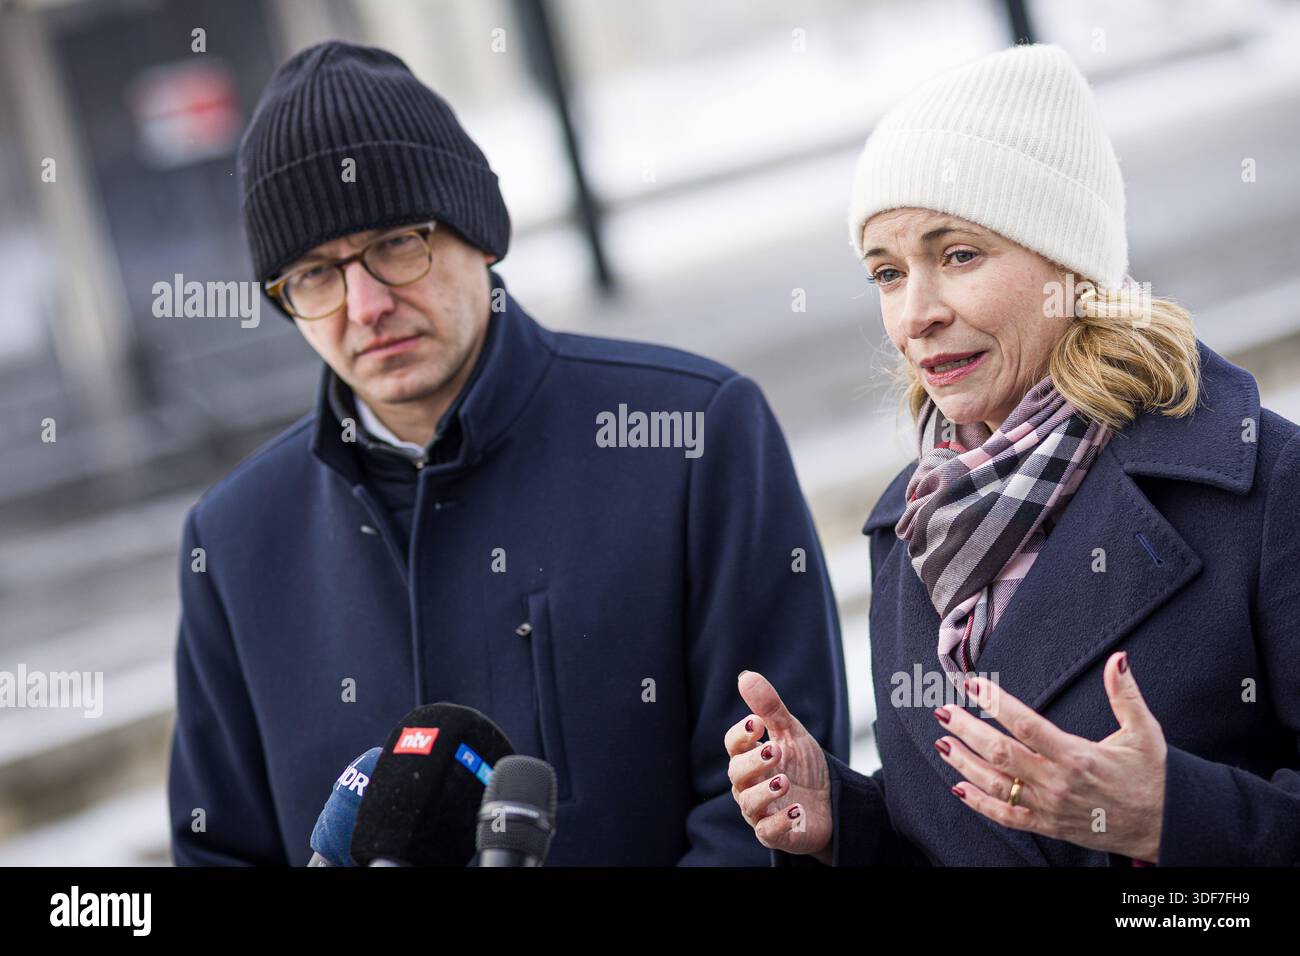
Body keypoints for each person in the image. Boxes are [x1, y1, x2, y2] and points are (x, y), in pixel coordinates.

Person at [168, 40, 849, 866]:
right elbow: (218, 852)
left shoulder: (694, 436)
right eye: (314, 273)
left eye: (395, 244)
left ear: (480, 232)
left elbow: (774, 814)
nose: (366, 303)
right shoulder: (235, 539)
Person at [727, 42, 1300, 866]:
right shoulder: (915, 526)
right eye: (887, 274)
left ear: (1069, 264)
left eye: (958, 255)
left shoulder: (1258, 483)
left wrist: (1171, 819)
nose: (915, 314)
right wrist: (840, 825)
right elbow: (955, 834)